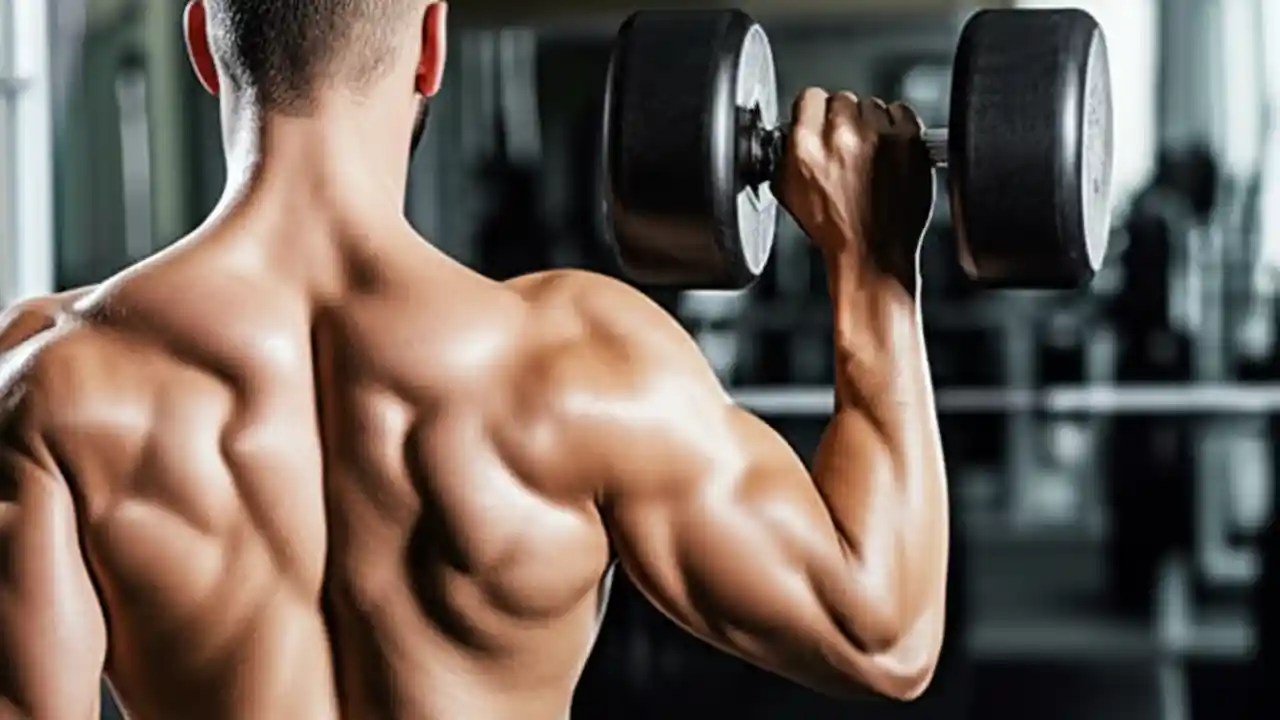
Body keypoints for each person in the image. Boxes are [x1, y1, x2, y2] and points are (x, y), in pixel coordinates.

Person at [0, 1, 947, 718]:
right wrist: (870, 268)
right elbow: (883, 633)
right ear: (431, 48)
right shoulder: (581, 366)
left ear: (203, 46)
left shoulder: (50, 387)